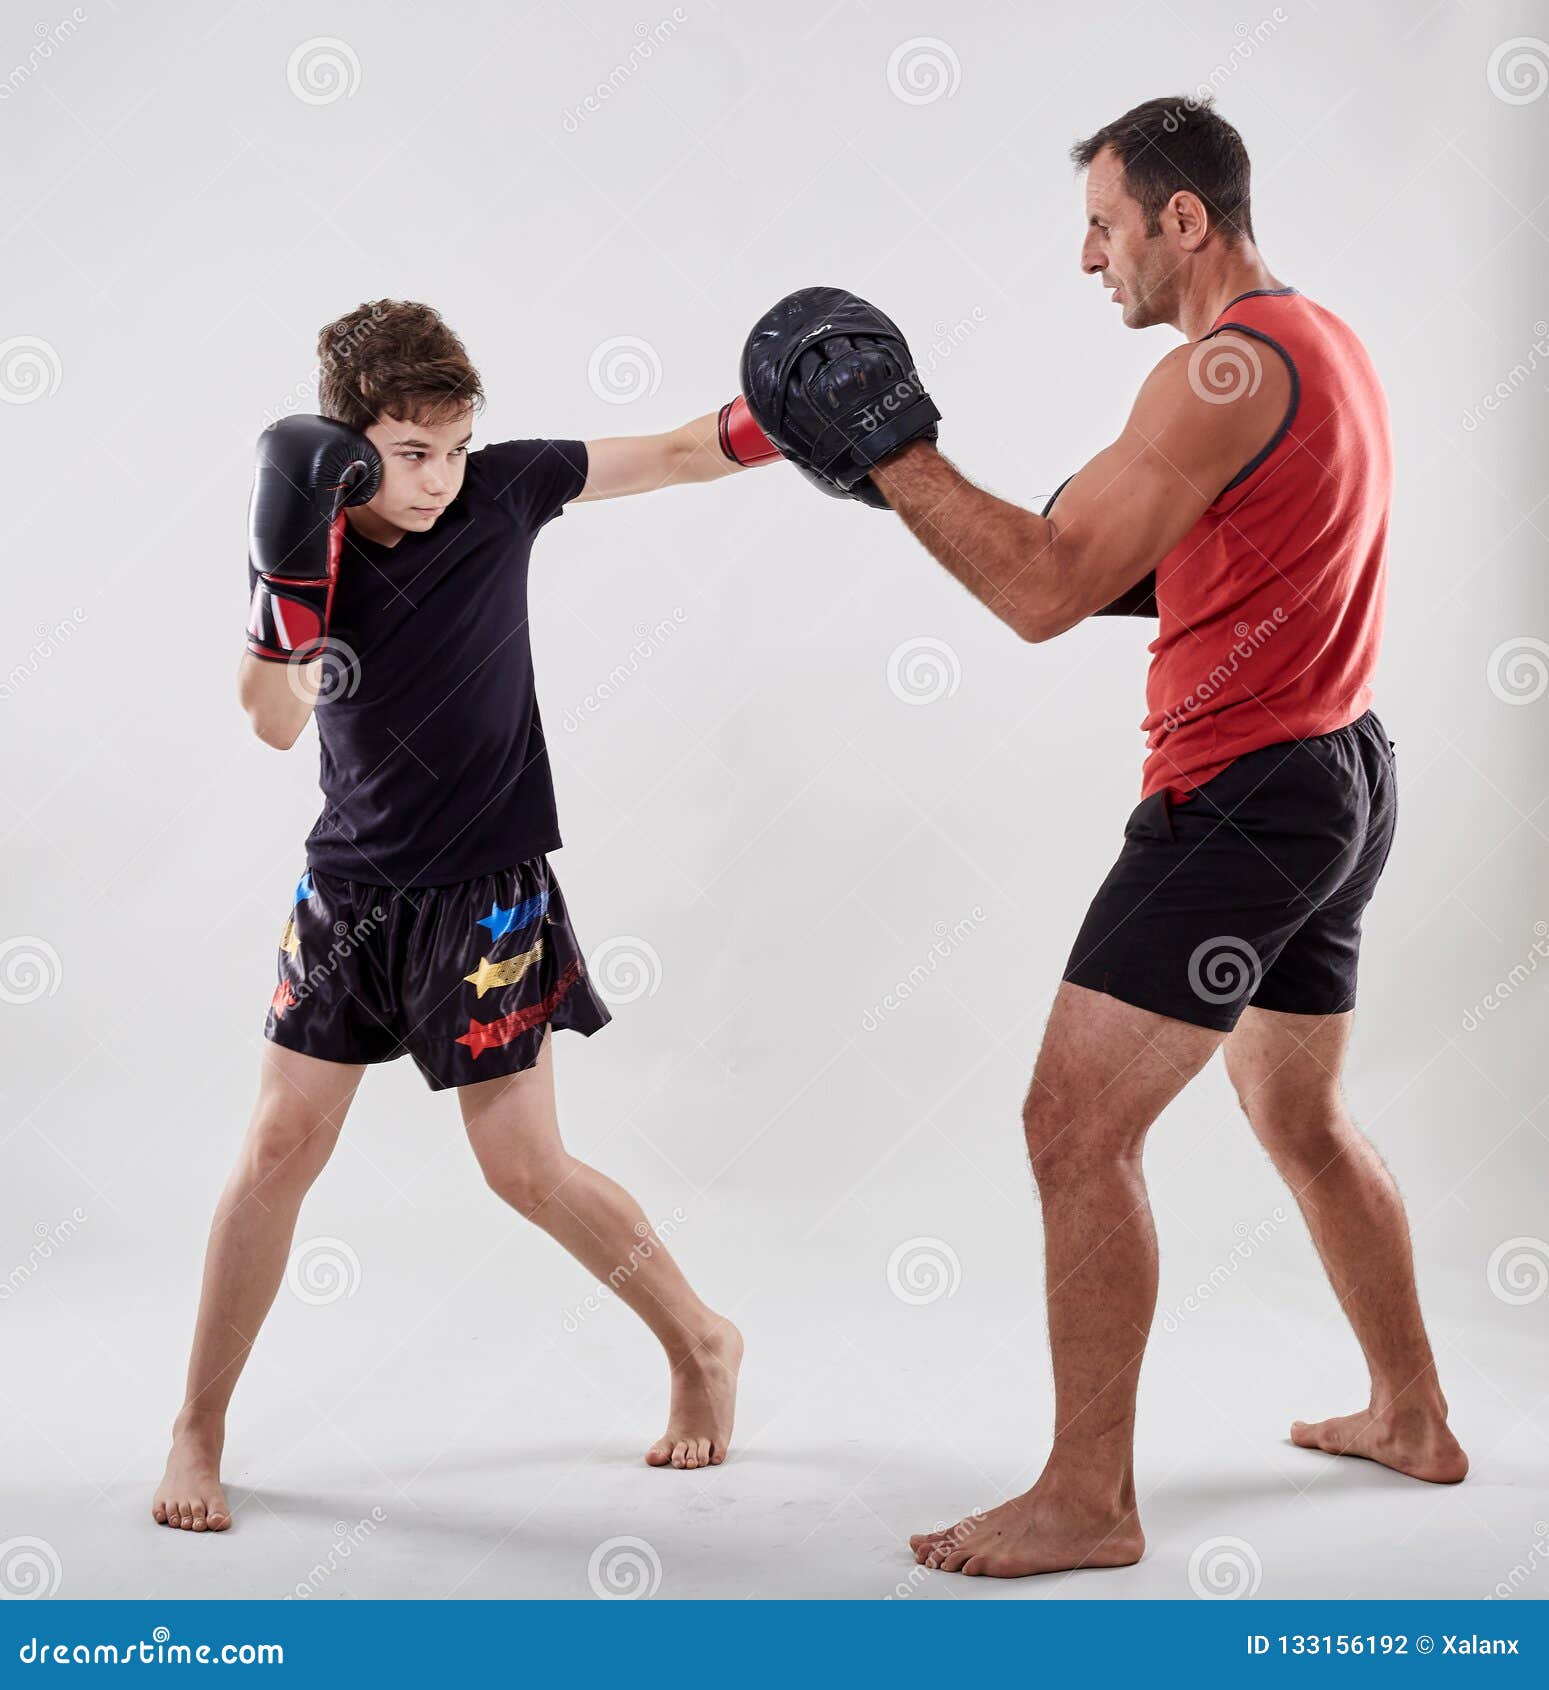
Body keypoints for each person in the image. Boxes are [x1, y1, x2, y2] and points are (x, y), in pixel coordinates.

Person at [742, 96, 1466, 1580]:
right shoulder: (1314, 342)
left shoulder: (1215, 374)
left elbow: (1042, 591)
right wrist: (920, 494)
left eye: (1104, 222)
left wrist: (893, 447)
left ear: (1180, 219)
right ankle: (1412, 1414)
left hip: (1248, 803)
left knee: (1074, 1127)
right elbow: (1151, 557)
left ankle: (1088, 1497)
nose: (1088, 258)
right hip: (1343, 774)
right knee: (1301, 1118)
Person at [154, 301, 777, 1532]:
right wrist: (290, 573)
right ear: (345, 443)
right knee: (275, 1153)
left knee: (524, 1169)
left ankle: (703, 1337)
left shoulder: (503, 490)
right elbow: (274, 721)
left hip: (488, 893)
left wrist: (790, 420)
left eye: (454, 445)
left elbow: (668, 453)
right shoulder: (316, 538)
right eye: (409, 451)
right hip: (347, 892)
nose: (439, 478)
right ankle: (197, 1426)